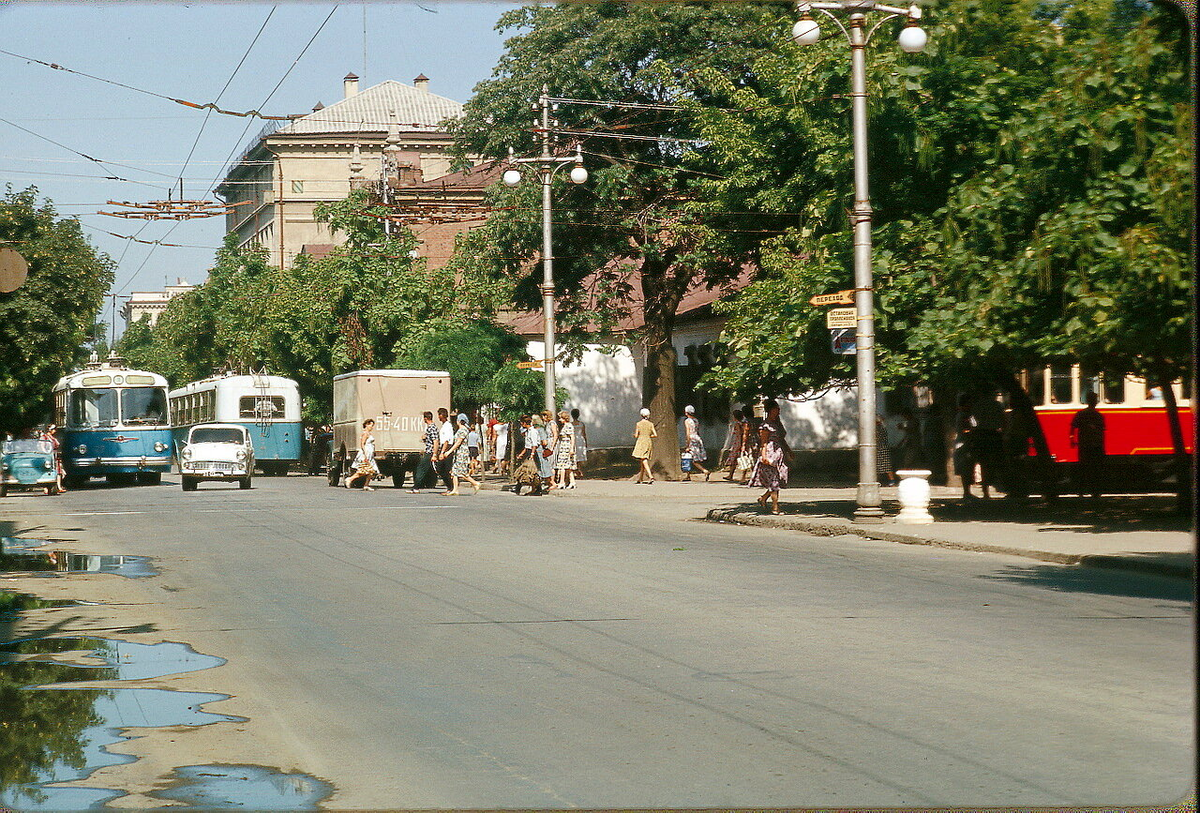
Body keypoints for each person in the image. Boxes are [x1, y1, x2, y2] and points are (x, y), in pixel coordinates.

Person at [749, 399, 790, 514]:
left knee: (778, 479)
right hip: (770, 454)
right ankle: (775, 507)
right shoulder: (765, 426)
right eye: (776, 409)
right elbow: (763, 443)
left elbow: (782, 439)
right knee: (774, 481)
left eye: (778, 409)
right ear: (770, 410)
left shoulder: (777, 424)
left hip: (778, 454)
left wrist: (788, 451)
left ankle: (763, 498)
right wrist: (764, 456)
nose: (778, 411)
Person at [1070, 391, 1106, 497]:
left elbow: (1072, 428)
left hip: (1084, 445)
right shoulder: (1098, 416)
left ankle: (1081, 491)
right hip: (1096, 446)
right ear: (1095, 402)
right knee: (1095, 470)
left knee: (1084, 468)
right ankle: (1095, 492)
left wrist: (1072, 440)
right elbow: (1101, 433)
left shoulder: (1081, 414)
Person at [971, 390, 1006, 498]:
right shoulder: (997, 405)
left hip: (981, 434)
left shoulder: (977, 405)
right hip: (994, 434)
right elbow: (1003, 420)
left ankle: (986, 491)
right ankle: (1001, 486)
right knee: (998, 462)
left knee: (984, 463)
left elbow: (973, 421)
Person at [443, 413, 482, 495]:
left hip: (462, 452)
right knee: (455, 471)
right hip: (458, 452)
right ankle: (455, 489)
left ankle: (475, 483)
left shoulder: (463, 430)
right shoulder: (461, 430)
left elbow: (458, 442)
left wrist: (449, 451)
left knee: (461, 471)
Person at [952, 394, 978, 500]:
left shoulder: (970, 415)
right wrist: (971, 432)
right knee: (965, 467)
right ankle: (966, 492)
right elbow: (964, 429)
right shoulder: (962, 415)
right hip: (964, 444)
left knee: (969, 467)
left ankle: (968, 491)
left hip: (969, 443)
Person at [511, 415, 543, 496]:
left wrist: (532, 454)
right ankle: (519, 486)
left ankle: (537, 488)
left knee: (531, 472)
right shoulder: (528, 431)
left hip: (532, 453)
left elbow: (534, 444)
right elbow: (527, 445)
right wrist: (521, 454)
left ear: (525, 423)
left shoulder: (533, 432)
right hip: (528, 452)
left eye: (522, 423)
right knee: (523, 471)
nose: (521, 424)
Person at [345, 419, 379, 491]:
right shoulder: (365, 433)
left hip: (370, 454)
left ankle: (366, 485)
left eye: (372, 426)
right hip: (366, 454)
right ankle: (350, 479)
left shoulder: (369, 434)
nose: (372, 427)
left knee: (371, 471)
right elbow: (362, 444)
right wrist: (365, 454)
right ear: (366, 424)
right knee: (362, 471)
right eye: (371, 425)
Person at [409, 411, 438, 492]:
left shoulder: (432, 427)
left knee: (420, 469)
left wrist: (434, 454)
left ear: (426, 418)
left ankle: (416, 487)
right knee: (436, 470)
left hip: (430, 452)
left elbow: (436, 441)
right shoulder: (430, 427)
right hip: (429, 451)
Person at [681, 405, 710, 481]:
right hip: (697, 438)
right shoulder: (696, 420)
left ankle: (704, 471)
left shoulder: (687, 421)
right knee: (690, 457)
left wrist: (687, 444)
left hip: (692, 439)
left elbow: (688, 432)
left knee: (692, 459)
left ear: (686, 412)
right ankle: (688, 475)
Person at [720, 409, 746, 481]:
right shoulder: (743, 423)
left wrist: (738, 445)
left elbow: (738, 434)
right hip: (740, 443)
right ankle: (733, 475)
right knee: (740, 460)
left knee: (736, 460)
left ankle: (733, 475)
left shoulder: (737, 424)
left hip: (737, 443)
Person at [553, 410, 576, 489]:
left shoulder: (568, 426)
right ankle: (572, 482)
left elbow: (572, 437)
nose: (559, 420)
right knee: (567, 466)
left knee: (562, 465)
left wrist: (572, 449)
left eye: (561, 418)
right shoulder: (564, 426)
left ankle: (562, 482)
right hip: (563, 446)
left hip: (567, 446)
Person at [530, 414, 554, 490]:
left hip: (540, 450)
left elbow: (545, 442)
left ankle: (552, 483)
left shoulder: (540, 429)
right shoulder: (534, 429)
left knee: (544, 467)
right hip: (536, 450)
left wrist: (538, 441)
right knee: (539, 467)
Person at [633, 407, 656, 484]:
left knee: (644, 459)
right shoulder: (651, 424)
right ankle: (640, 478)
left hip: (641, 441)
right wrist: (649, 435)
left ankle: (650, 476)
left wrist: (635, 435)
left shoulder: (638, 424)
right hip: (648, 441)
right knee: (642, 460)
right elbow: (655, 434)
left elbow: (636, 435)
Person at [434, 407, 455, 492]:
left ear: (442, 415)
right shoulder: (444, 425)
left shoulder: (447, 426)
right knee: (440, 469)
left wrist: (442, 452)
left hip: (447, 447)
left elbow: (446, 440)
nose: (438, 417)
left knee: (445, 469)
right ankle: (450, 487)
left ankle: (451, 487)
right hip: (444, 447)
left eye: (439, 414)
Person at [571, 408, 588, 479]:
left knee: (574, 455)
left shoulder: (570, 424)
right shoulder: (581, 424)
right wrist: (586, 442)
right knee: (580, 455)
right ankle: (579, 469)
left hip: (573, 440)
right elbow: (584, 434)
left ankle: (575, 470)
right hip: (580, 440)